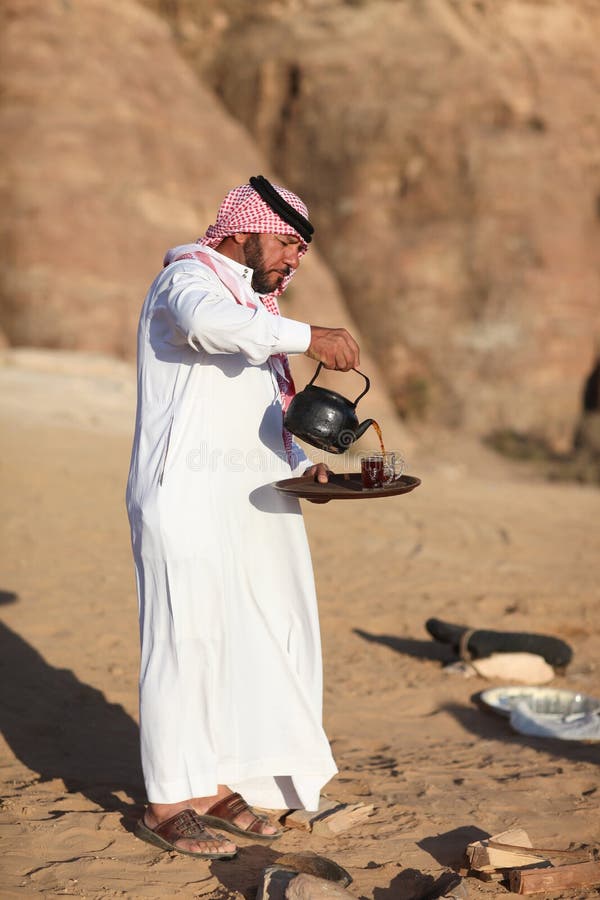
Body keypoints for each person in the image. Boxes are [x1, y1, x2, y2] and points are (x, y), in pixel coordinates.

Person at [126, 175, 360, 859]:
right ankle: (169, 799)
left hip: (245, 501)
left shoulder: (252, 305)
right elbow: (209, 327)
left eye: (301, 248)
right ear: (247, 228)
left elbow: (253, 406)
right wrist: (307, 335)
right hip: (184, 501)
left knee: (241, 640)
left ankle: (215, 785)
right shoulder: (189, 282)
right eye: (288, 242)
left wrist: (297, 467)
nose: (295, 259)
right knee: (184, 641)